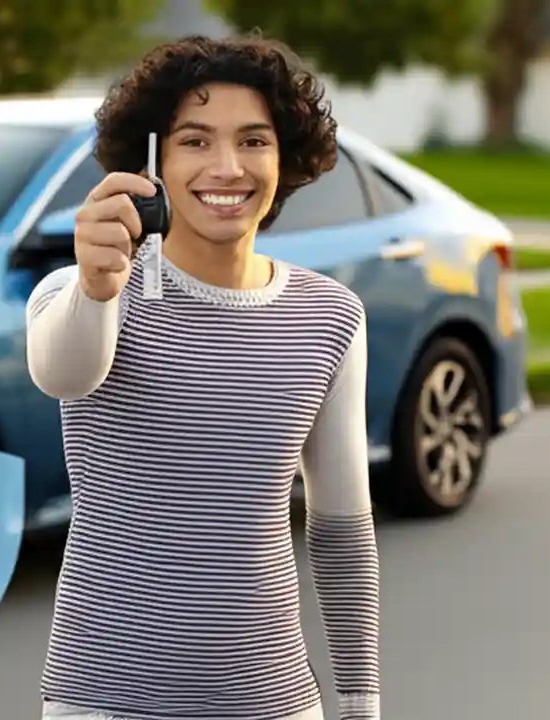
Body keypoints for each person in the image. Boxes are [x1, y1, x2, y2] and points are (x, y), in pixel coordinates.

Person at [26, 34, 381, 720]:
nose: (227, 167)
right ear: (153, 160)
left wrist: (361, 701)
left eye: (254, 141)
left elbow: (341, 530)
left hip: (276, 701)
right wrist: (100, 286)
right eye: (195, 141)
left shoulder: (330, 315)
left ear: (286, 158)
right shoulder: (80, 293)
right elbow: (63, 373)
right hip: (106, 700)